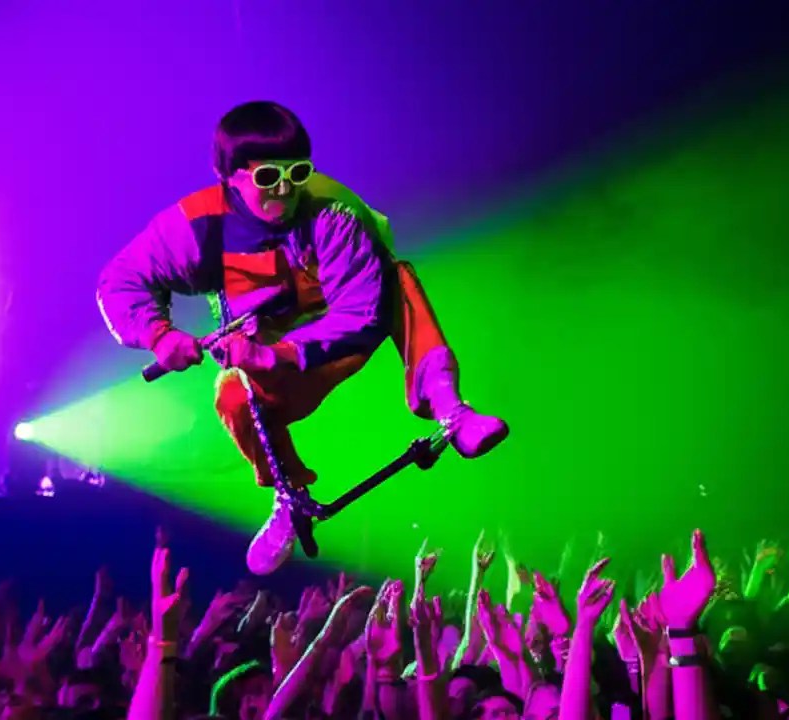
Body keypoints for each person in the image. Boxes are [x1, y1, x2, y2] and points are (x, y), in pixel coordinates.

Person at [97, 101, 509, 575]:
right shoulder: (197, 226)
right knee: (232, 397)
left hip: (341, 335)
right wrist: (159, 335)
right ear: (229, 176)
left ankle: (450, 407)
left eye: (297, 173)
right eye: (268, 177)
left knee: (398, 279)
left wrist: (280, 354)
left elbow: (361, 312)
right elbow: (119, 282)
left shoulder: (333, 211)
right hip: (269, 355)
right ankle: (288, 495)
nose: (286, 189)